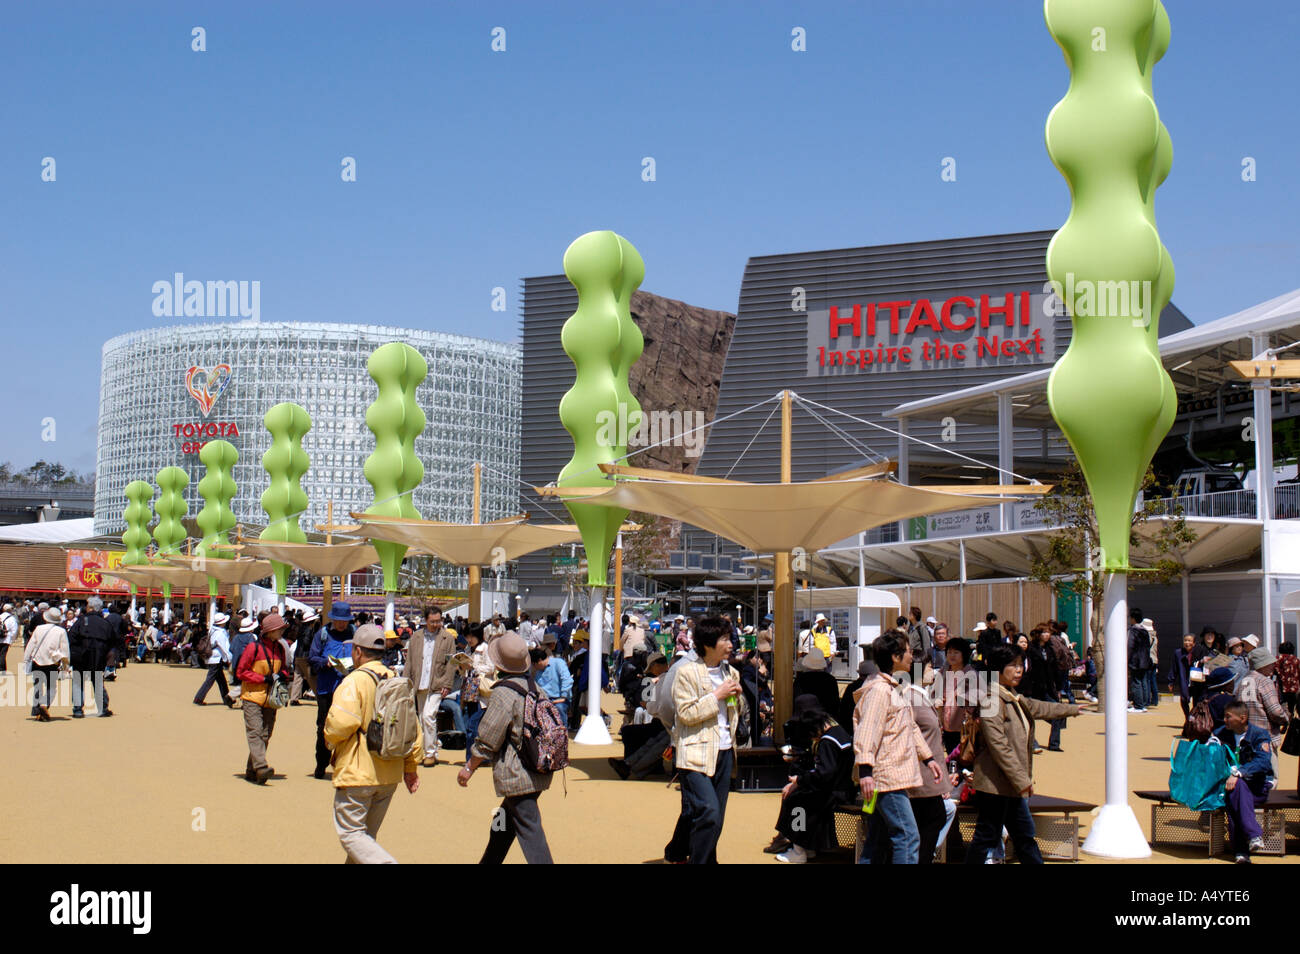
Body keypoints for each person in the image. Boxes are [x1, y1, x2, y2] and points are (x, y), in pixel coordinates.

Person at [966, 646, 1081, 864]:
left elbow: (1039, 707)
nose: (1019, 670)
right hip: (996, 784)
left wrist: (1073, 710)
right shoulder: (992, 698)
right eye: (1013, 665)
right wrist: (1021, 780)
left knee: (1022, 837)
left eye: (1021, 665)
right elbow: (998, 745)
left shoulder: (1012, 696)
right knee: (989, 836)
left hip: (1011, 784)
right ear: (999, 668)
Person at [323, 623, 423, 863]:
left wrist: (329, 739)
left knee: (351, 835)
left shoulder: (354, 681)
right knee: (365, 839)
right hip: (389, 772)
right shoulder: (397, 680)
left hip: (358, 770)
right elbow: (413, 729)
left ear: (358, 652)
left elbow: (340, 724)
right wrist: (410, 767)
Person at [458, 632, 554, 864]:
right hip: (537, 765)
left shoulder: (504, 692)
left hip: (516, 772)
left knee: (530, 830)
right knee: (502, 823)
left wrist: (470, 767)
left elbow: (488, 736)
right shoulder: (534, 687)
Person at [854, 631, 942, 864]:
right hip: (886, 777)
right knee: (907, 836)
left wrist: (928, 758)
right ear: (895, 657)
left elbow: (910, 726)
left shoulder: (891, 688)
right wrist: (865, 770)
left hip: (888, 775)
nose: (912, 656)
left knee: (877, 839)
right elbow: (868, 730)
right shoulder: (880, 690)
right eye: (908, 652)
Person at [671, 616, 745, 864]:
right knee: (709, 812)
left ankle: (701, 857)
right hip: (694, 754)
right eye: (725, 639)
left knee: (717, 818)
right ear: (708, 644)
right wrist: (717, 695)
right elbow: (686, 714)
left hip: (724, 750)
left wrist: (738, 698)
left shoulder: (731, 672)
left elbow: (734, 712)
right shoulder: (686, 673)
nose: (731, 644)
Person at [770, 694, 855, 864]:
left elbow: (824, 774)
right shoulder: (839, 731)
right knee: (801, 796)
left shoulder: (827, 742)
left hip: (835, 792)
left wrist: (799, 781)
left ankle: (798, 849)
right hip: (843, 788)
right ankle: (808, 848)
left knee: (796, 800)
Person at [1211, 700, 1275, 863]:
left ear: (1243, 718)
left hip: (1257, 786)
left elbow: (1263, 762)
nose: (1224, 720)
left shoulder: (1259, 735)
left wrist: (1239, 773)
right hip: (1229, 787)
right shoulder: (1220, 734)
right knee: (1237, 795)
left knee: (1236, 793)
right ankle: (1253, 836)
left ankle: (1241, 851)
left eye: (1228, 717)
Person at [902, 677, 952, 864]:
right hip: (917, 774)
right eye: (930, 666)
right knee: (932, 817)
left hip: (928, 770)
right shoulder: (909, 696)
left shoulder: (922, 695)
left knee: (933, 817)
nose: (935, 671)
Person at [235, 612, 289, 784]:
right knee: (255, 731)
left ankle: (252, 770)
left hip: (271, 698)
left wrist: (281, 675)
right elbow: (241, 672)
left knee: (266, 734)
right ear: (269, 631)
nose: (281, 631)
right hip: (252, 696)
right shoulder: (254, 648)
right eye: (279, 629)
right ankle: (261, 766)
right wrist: (262, 678)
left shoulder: (280, 648)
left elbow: (287, 669)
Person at [405, 606, 457, 768]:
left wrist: (447, 684)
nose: (436, 624)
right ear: (425, 621)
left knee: (429, 716)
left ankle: (430, 753)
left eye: (438, 621)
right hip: (419, 682)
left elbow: (452, 663)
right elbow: (410, 662)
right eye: (432, 621)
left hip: (438, 682)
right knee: (422, 718)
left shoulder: (447, 639)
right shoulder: (416, 637)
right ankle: (427, 750)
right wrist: (406, 682)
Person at [310, 602, 355, 779]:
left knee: (349, 727)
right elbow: (312, 657)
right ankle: (321, 763)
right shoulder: (322, 635)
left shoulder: (354, 634)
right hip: (326, 689)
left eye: (344, 621)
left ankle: (344, 764)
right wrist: (325, 663)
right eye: (338, 621)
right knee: (324, 727)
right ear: (333, 619)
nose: (341, 624)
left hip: (349, 689)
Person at [67, 596, 118, 718]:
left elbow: (71, 638)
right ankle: (103, 708)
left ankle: (78, 709)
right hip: (98, 657)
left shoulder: (81, 621)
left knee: (78, 682)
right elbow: (113, 642)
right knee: (97, 682)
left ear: (90, 608)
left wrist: (73, 654)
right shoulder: (106, 623)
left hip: (81, 657)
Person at [1236, 648, 1289, 748]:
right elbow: (1275, 711)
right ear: (1261, 665)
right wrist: (1286, 717)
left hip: (1245, 737)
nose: (1273, 666)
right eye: (1270, 663)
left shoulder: (1242, 682)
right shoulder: (1265, 681)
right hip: (1265, 739)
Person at [24, 605, 69, 721]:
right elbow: (65, 650)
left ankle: (36, 710)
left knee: (37, 687)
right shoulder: (61, 631)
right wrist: (66, 666)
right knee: (51, 687)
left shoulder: (38, 628)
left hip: (37, 661)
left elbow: (30, 645)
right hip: (52, 663)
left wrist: (26, 660)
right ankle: (44, 705)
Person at [935, 637, 977, 754]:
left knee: (964, 760)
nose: (952, 655)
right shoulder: (943, 672)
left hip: (964, 727)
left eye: (956, 652)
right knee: (950, 758)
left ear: (964, 654)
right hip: (946, 726)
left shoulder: (971, 674)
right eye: (949, 652)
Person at [193, 611, 236, 707]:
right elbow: (224, 647)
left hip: (212, 657)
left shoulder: (212, 630)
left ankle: (227, 698)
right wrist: (229, 658)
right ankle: (198, 698)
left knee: (221, 680)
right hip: (216, 658)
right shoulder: (220, 633)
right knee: (210, 680)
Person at [793, 647, 839, 716]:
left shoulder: (800, 680)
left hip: (805, 719)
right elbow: (835, 705)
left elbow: (795, 701)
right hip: (825, 719)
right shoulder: (830, 680)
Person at [289, 609, 319, 704]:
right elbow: (306, 643)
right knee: (311, 678)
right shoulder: (309, 630)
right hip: (305, 656)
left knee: (298, 677)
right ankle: (319, 697)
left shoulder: (300, 628)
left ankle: (294, 698)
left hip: (298, 655)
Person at [1126, 609, 1151, 713]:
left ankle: (1138, 705)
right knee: (1143, 682)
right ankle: (1144, 704)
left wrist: (1127, 659)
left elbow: (1130, 646)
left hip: (1135, 661)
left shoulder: (1133, 630)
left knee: (1136, 682)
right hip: (1145, 660)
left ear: (1133, 618)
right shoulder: (1144, 631)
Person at [1168, 633, 1197, 719]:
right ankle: (1187, 717)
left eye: (1190, 641)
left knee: (1197, 701)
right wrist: (1171, 681)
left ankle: (1195, 718)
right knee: (1184, 699)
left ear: (1194, 643)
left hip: (1196, 680)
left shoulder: (1198, 652)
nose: (1187, 643)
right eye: (1185, 640)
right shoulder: (1178, 653)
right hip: (1184, 678)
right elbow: (1174, 667)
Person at [1276, 642, 1300, 717]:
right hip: (1294, 689)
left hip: (1282, 688)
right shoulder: (1296, 659)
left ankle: (1285, 724)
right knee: (1293, 708)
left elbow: (1274, 671)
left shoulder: (1279, 659)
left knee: (1283, 709)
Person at [0, 602, 18, 673]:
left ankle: (3, 668)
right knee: (3, 654)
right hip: (6, 638)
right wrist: (12, 640)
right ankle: (2, 669)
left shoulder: (0, 616)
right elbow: (14, 630)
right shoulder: (12, 618)